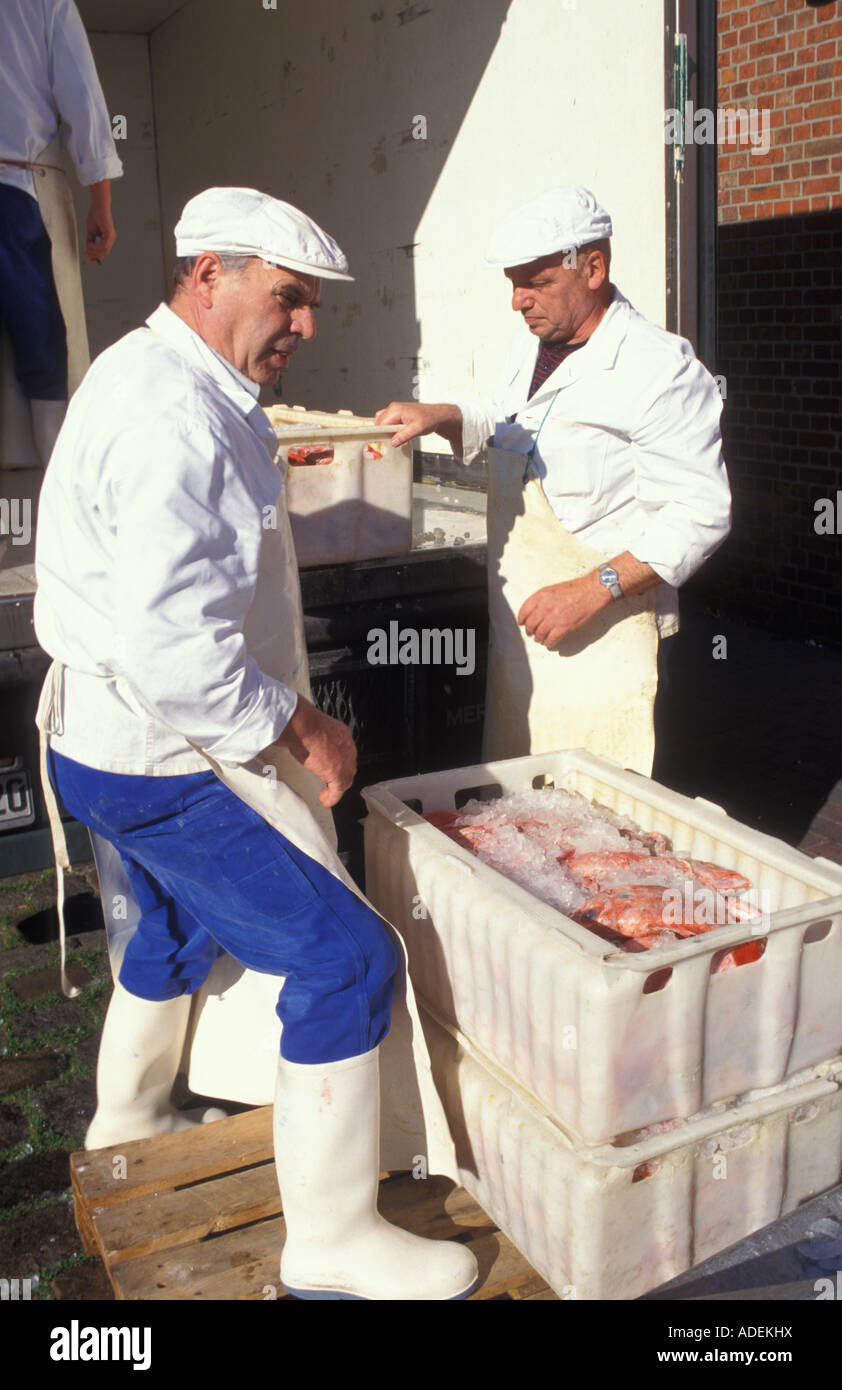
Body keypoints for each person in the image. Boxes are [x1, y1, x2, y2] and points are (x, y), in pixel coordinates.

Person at [33, 187, 477, 1302]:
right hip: (161, 755)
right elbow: (176, 653)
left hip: (108, 745)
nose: (306, 325)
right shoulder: (165, 417)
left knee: (177, 922)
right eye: (288, 299)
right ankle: (329, 1238)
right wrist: (310, 725)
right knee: (345, 957)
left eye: (311, 305)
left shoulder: (189, 382)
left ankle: (130, 1116)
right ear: (209, 274)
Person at [376, 185, 732, 775]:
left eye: (537, 283)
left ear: (593, 268)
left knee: (594, 813)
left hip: (604, 630)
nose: (519, 301)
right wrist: (447, 415)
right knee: (522, 801)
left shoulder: (660, 369)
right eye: (514, 283)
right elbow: (510, 413)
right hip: (525, 623)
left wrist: (590, 591)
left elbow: (701, 512)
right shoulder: (537, 344)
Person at [0, 0, 123, 466]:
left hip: (20, 189)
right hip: (20, 195)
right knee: (48, 360)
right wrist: (101, 202)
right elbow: (83, 97)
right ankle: (60, 504)